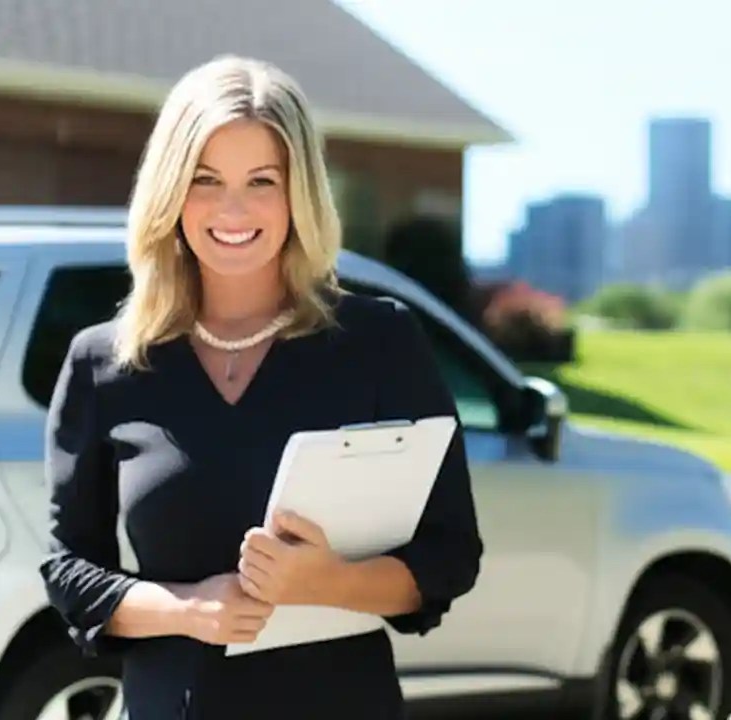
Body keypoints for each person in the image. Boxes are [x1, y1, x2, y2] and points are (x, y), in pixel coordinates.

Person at [38, 55, 484, 719]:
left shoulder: (380, 343)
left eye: (262, 181)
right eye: (206, 179)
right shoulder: (104, 363)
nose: (233, 209)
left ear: (299, 192)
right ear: (171, 190)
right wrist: (191, 610)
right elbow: (71, 572)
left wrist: (334, 583)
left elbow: (449, 554)